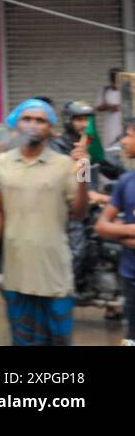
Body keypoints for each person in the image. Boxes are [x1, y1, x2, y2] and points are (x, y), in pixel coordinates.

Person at [0, 98, 89, 346]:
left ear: (51, 129)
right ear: (17, 125)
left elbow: (80, 213)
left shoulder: (64, 165)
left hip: (55, 273)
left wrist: (84, 171)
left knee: (59, 341)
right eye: (27, 119)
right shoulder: (2, 163)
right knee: (23, 341)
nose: (33, 125)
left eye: (40, 120)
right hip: (16, 272)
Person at [94, 120, 135, 346]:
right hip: (131, 276)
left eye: (128, 135)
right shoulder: (126, 181)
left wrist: (118, 233)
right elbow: (101, 227)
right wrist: (130, 231)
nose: (123, 141)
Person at [96, 68, 124, 147]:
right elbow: (98, 107)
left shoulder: (127, 89)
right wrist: (110, 107)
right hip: (110, 122)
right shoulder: (105, 90)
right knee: (110, 143)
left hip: (124, 122)